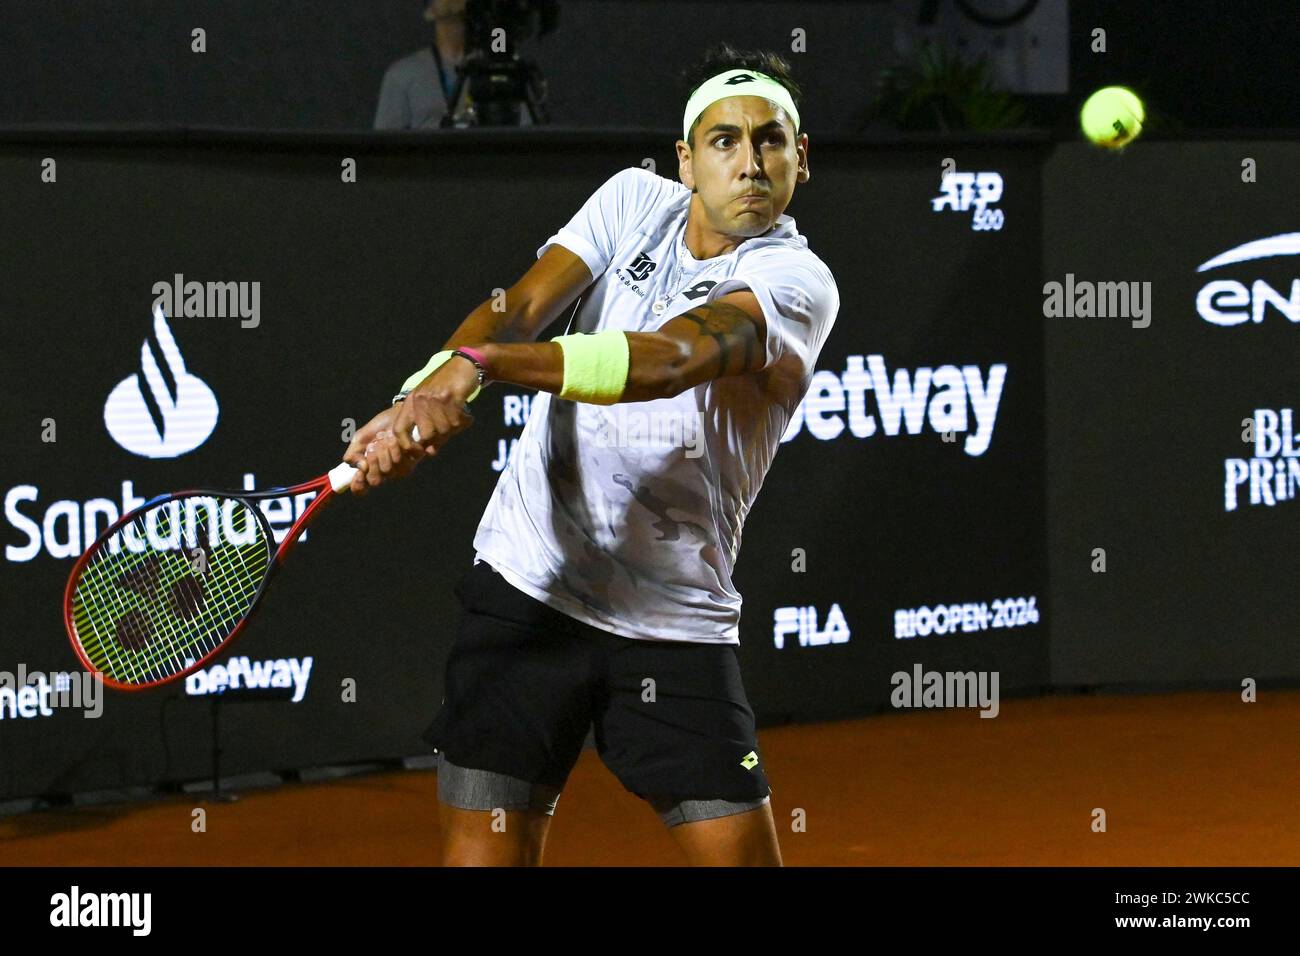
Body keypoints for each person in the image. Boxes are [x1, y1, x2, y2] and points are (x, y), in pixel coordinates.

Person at [345, 43, 839, 866]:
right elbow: (521, 307)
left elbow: (666, 361)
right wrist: (416, 400)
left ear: (800, 158)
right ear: (686, 161)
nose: (750, 163)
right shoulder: (630, 201)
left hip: (672, 622)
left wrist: (479, 369)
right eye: (724, 141)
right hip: (525, 584)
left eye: (771, 141)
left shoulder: (796, 279)